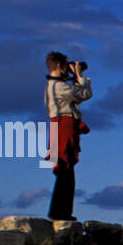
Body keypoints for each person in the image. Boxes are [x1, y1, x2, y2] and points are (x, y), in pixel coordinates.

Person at [44, 51, 92, 221]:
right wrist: (79, 76)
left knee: (64, 172)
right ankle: (60, 213)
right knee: (66, 172)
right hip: (63, 128)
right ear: (59, 65)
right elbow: (84, 94)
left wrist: (77, 79)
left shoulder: (55, 86)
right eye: (65, 66)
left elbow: (76, 98)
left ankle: (58, 212)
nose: (67, 70)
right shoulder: (59, 86)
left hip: (59, 128)